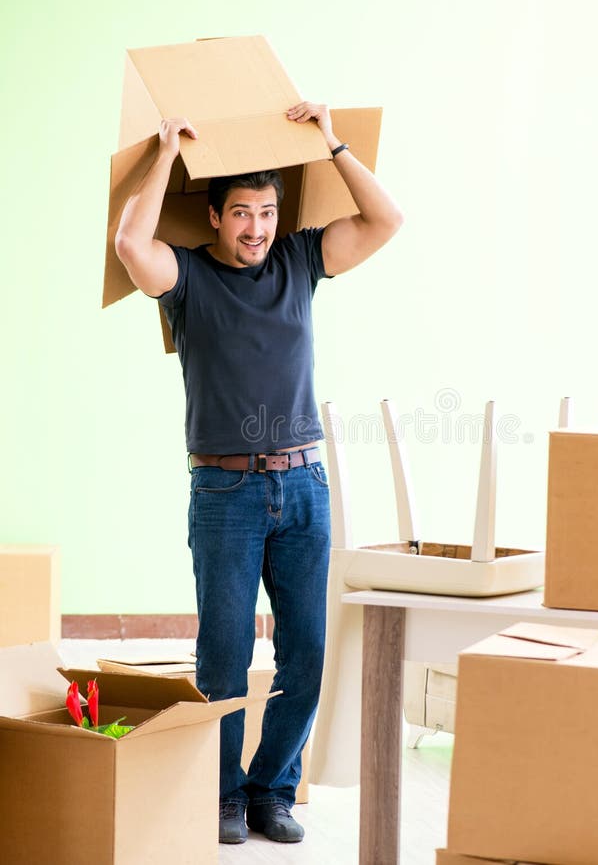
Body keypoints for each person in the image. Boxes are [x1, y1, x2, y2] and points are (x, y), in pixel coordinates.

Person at [115, 102, 403, 845]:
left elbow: (385, 219)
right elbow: (128, 241)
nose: (255, 229)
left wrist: (331, 142)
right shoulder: (185, 278)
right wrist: (168, 152)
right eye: (240, 213)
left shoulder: (301, 260)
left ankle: (274, 787)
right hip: (225, 493)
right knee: (226, 655)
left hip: (305, 485)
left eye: (267, 212)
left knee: (307, 650)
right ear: (213, 216)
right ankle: (221, 798)